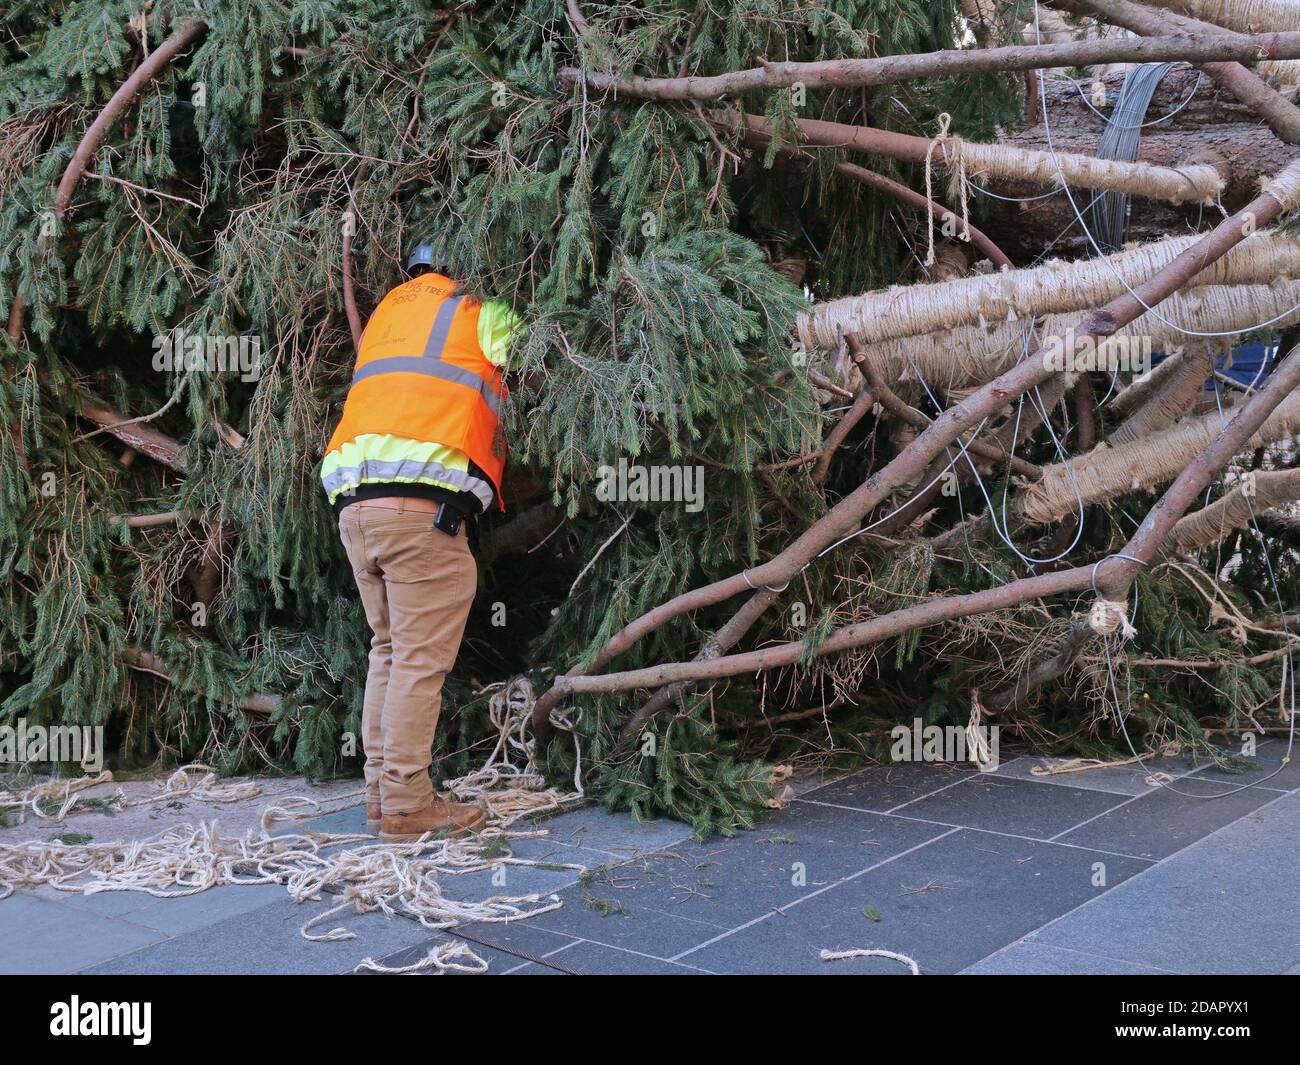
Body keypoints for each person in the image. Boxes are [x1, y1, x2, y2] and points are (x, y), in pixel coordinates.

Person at [321, 240, 520, 839]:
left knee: (388, 650)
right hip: (422, 512)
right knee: (416, 660)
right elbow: (529, 364)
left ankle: (381, 795)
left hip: (357, 508)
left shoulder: (388, 312)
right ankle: (409, 805)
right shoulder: (484, 309)